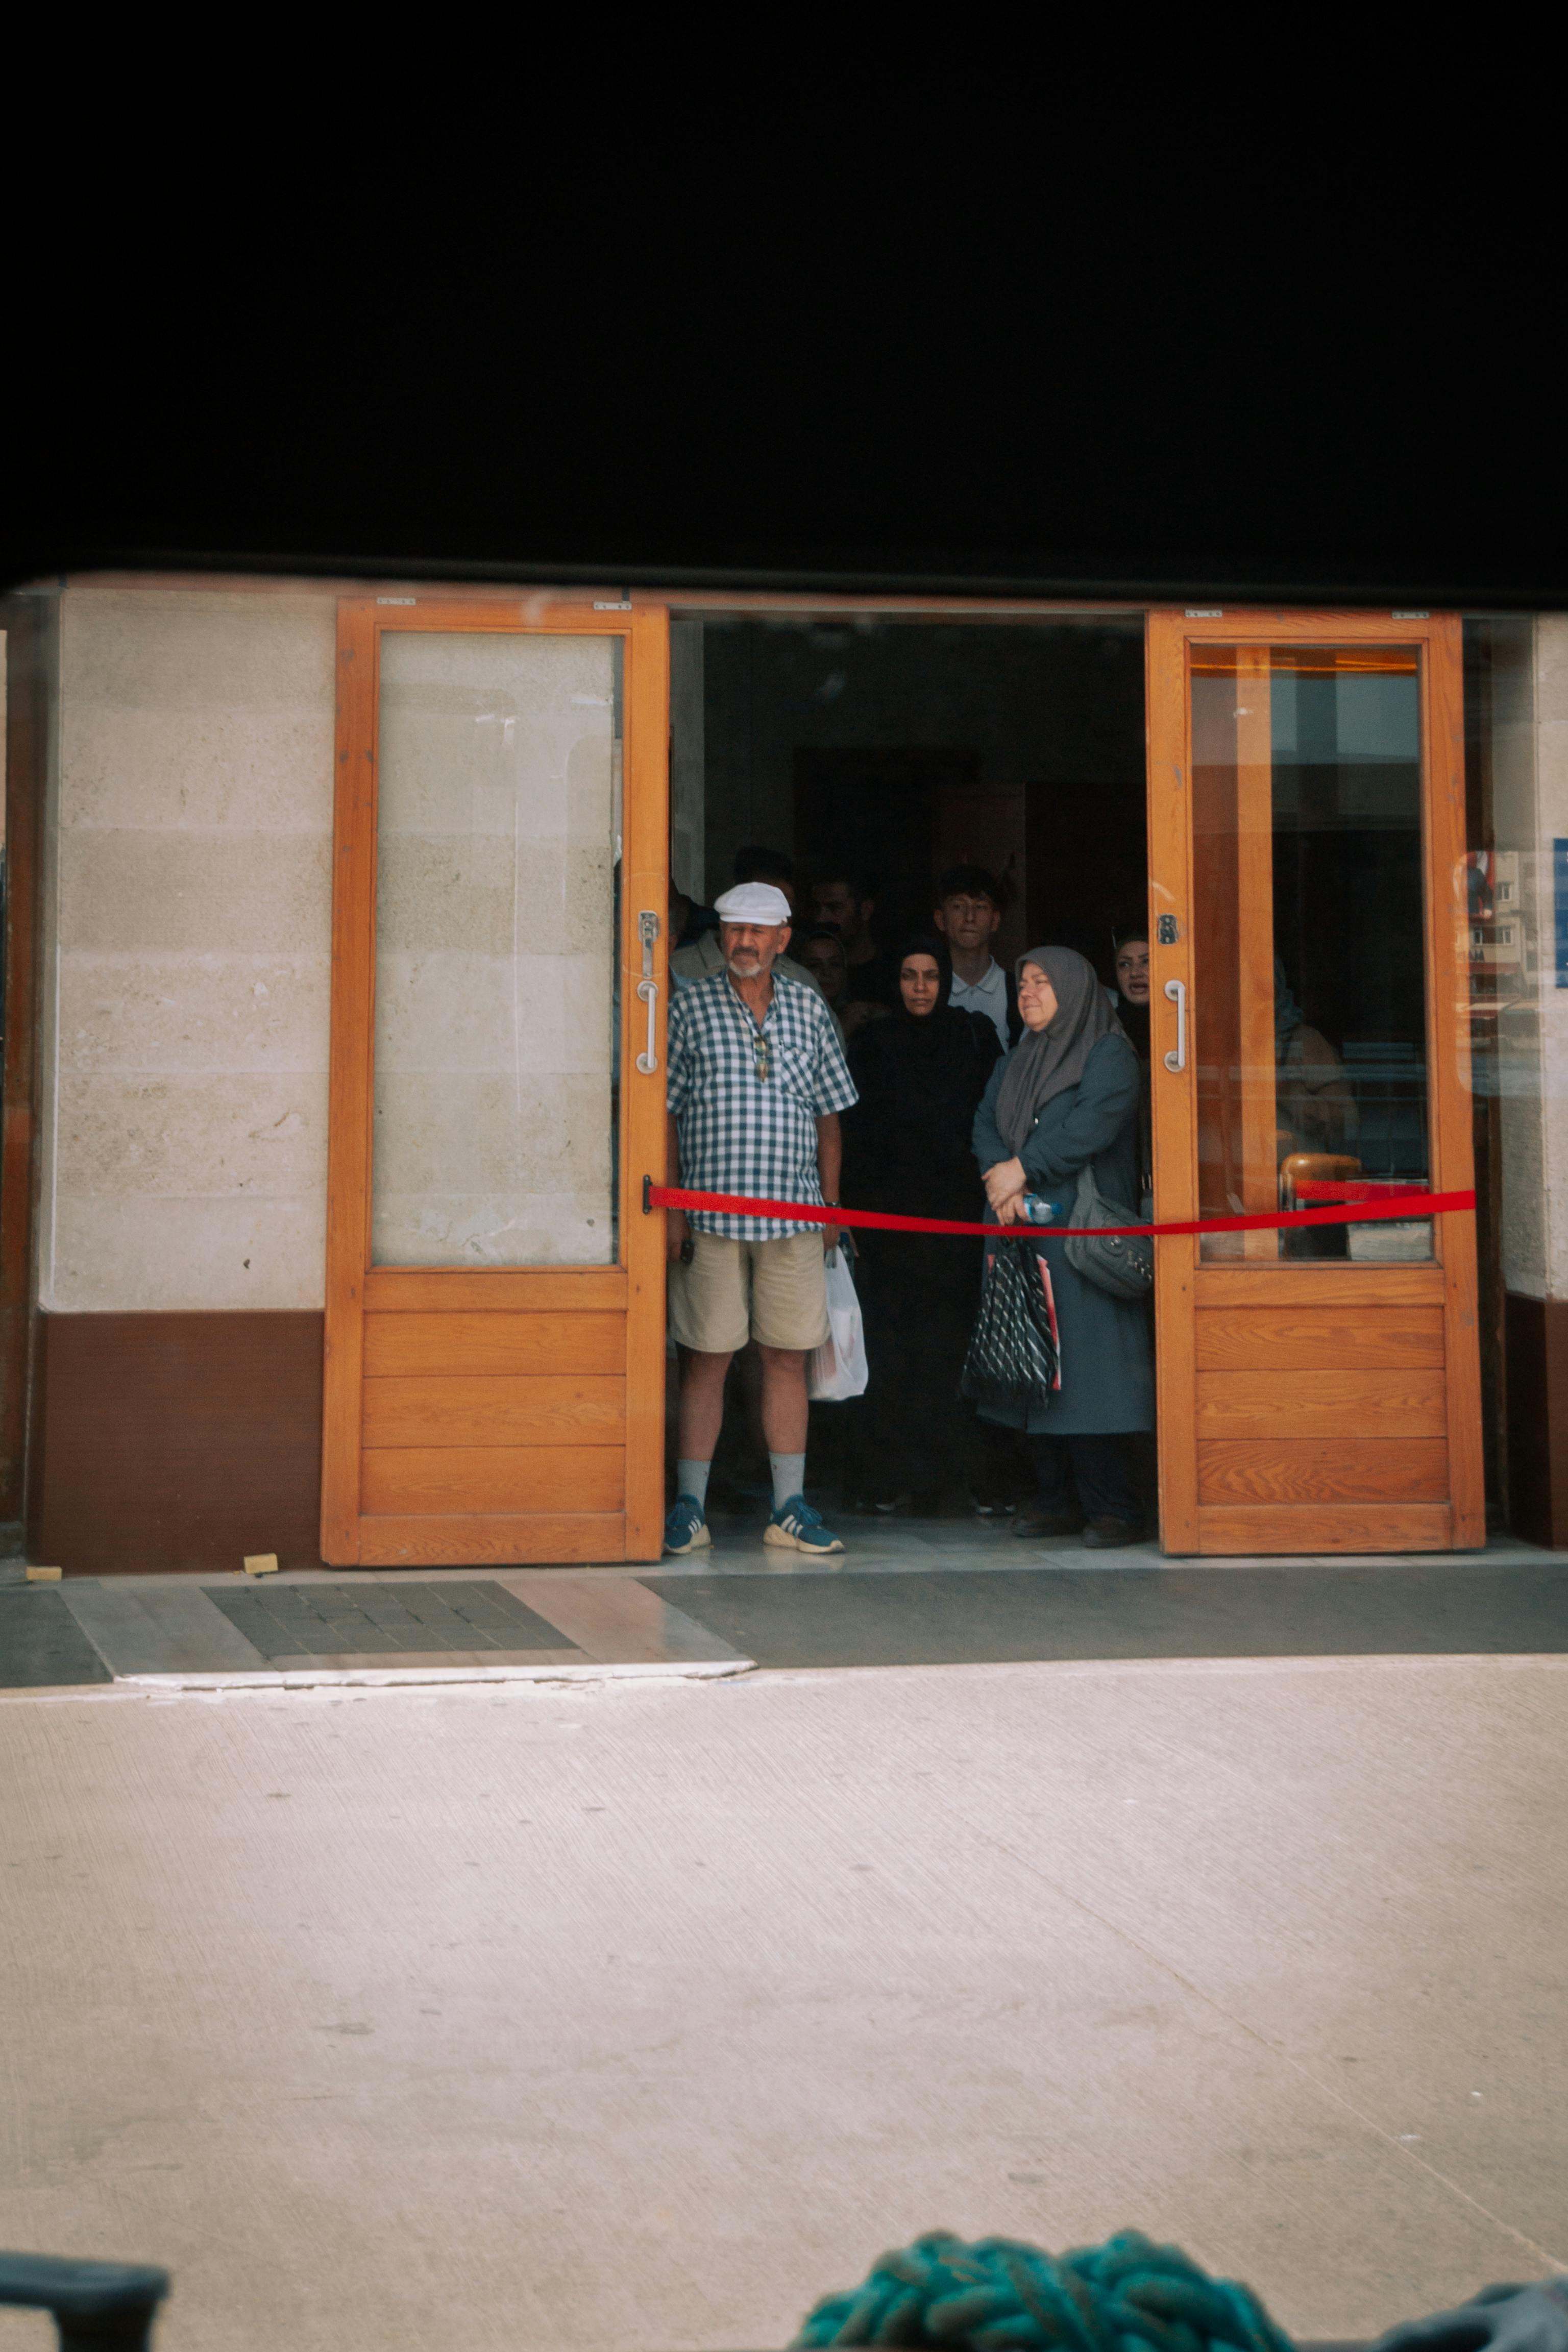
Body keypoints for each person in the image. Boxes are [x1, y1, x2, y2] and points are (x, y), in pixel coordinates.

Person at [664, 880, 858, 1559]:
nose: (743, 942)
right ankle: (690, 1508)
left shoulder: (809, 1007)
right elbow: (666, 1115)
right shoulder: (689, 1007)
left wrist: (830, 1206)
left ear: (782, 939)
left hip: (795, 1217)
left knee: (785, 1359)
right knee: (707, 1359)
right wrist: (673, 1209)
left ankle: (789, 1508)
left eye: (757, 931)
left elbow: (829, 1116)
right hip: (709, 1215)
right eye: (733, 930)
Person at [971, 945, 1153, 1547]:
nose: (1027, 992)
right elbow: (985, 1122)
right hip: (1020, 1230)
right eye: (1023, 982)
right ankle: (1057, 1501)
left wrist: (1021, 1169)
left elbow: (1089, 1128)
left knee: (1092, 1378)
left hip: (1080, 1244)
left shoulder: (1110, 1055)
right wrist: (1000, 1177)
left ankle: (1115, 1508)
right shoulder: (1020, 1055)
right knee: (1031, 1370)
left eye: (1042, 982)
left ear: (1074, 989)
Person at [842, 937, 1001, 1511]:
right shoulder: (873, 1043)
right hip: (889, 1227)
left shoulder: (973, 1036)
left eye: (931, 975)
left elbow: (993, 1118)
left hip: (958, 1223)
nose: (920, 987)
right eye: (909, 975)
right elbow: (854, 1133)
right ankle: (892, 1478)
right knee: (893, 1348)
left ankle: (955, 1478)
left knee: (951, 1345)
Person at [933, 864, 1023, 1051]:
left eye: (980, 907)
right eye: (958, 906)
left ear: (995, 920)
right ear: (941, 920)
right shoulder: (925, 989)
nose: (970, 917)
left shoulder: (1020, 992)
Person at [810, 864, 895, 1007]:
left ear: (866, 910)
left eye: (835, 908)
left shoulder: (893, 971)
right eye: (816, 908)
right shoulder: (803, 969)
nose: (821, 919)